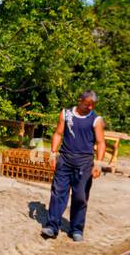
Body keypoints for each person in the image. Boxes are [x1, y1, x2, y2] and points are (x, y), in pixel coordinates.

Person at [42, 90, 105, 242]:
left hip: (84, 162)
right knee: (58, 193)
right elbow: (58, 133)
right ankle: (52, 226)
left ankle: (76, 229)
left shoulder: (96, 120)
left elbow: (101, 142)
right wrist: (52, 153)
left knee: (80, 196)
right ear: (80, 100)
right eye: (88, 104)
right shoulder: (66, 114)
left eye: (93, 105)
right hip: (65, 159)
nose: (90, 107)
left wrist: (98, 164)